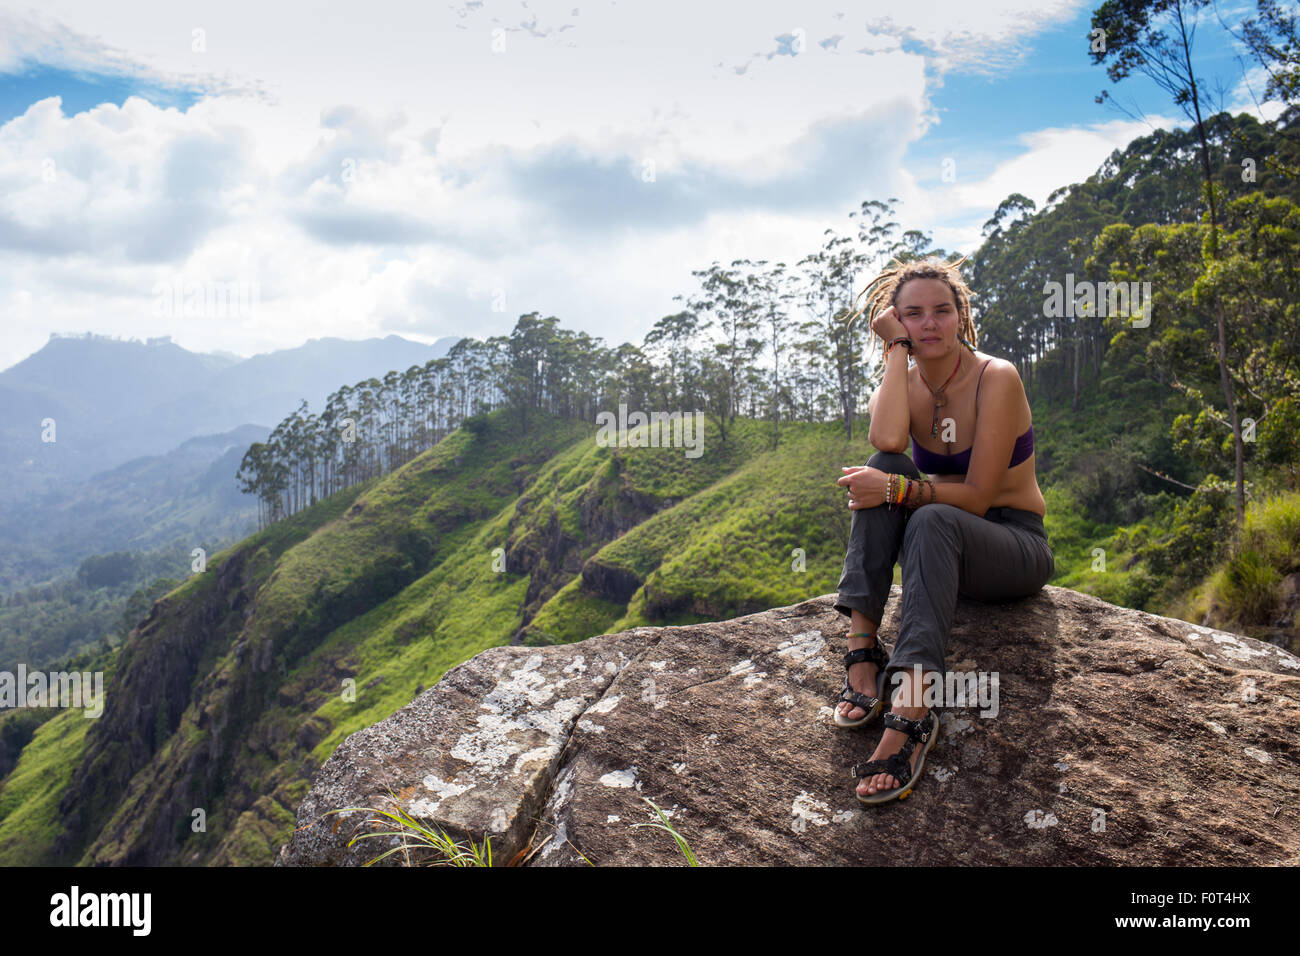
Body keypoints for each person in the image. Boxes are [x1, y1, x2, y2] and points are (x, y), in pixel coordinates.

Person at [831, 255, 1054, 805]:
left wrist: (901, 494)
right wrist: (894, 355)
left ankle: (912, 703)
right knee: (884, 468)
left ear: (961, 316)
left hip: (1012, 545)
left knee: (917, 504)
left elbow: (977, 498)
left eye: (941, 311)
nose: (929, 324)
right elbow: (886, 443)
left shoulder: (994, 377)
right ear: (896, 323)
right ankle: (863, 650)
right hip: (942, 545)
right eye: (913, 315)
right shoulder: (905, 379)